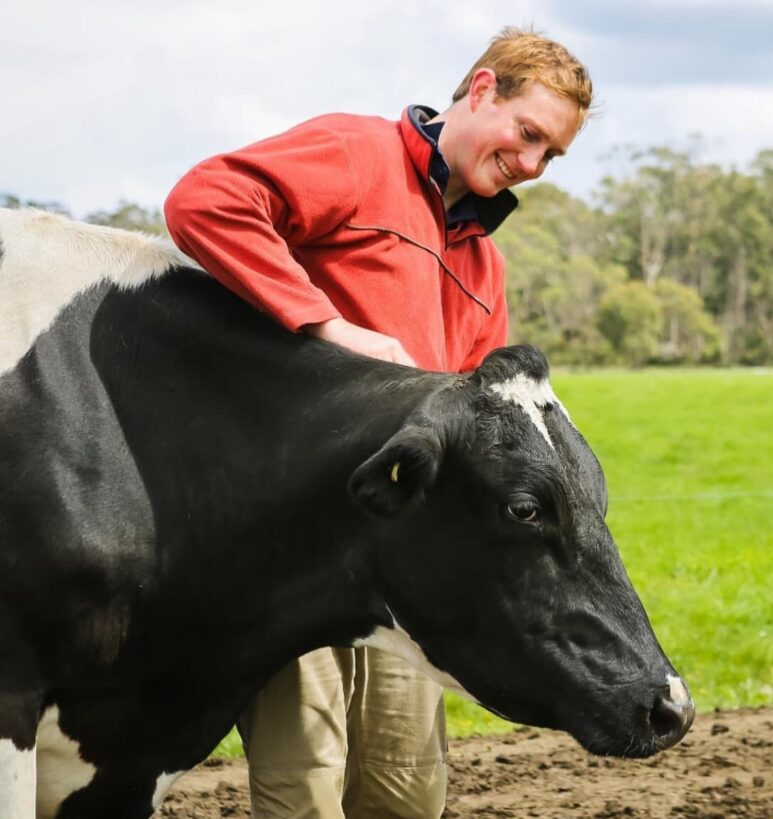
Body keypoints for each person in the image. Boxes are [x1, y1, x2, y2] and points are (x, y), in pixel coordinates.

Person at [163, 25, 592, 819]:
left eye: (550, 155)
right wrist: (325, 324)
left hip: (405, 567)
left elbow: (472, 418)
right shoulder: (358, 154)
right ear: (482, 90)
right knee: (306, 790)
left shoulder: (483, 264)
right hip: (296, 544)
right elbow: (203, 201)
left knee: (406, 794)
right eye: (527, 134)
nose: (531, 164)